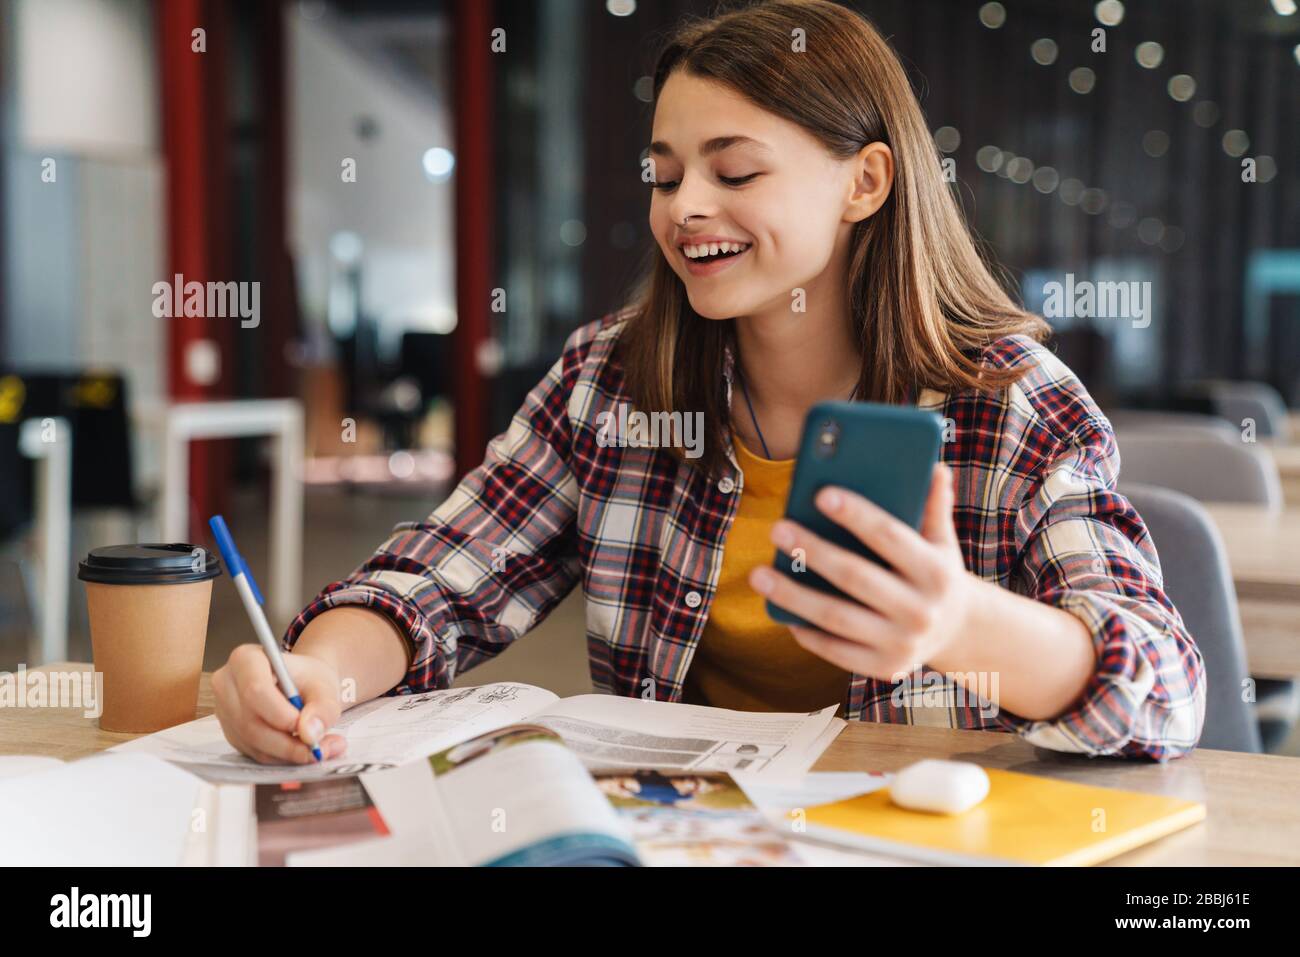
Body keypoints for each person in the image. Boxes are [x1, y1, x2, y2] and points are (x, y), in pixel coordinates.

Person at [212, 0, 1204, 766]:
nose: (686, 207)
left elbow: (1165, 690)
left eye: (733, 174)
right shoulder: (610, 378)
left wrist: (957, 622)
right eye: (664, 173)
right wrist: (318, 673)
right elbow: (437, 583)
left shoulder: (1012, 401)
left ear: (864, 182)